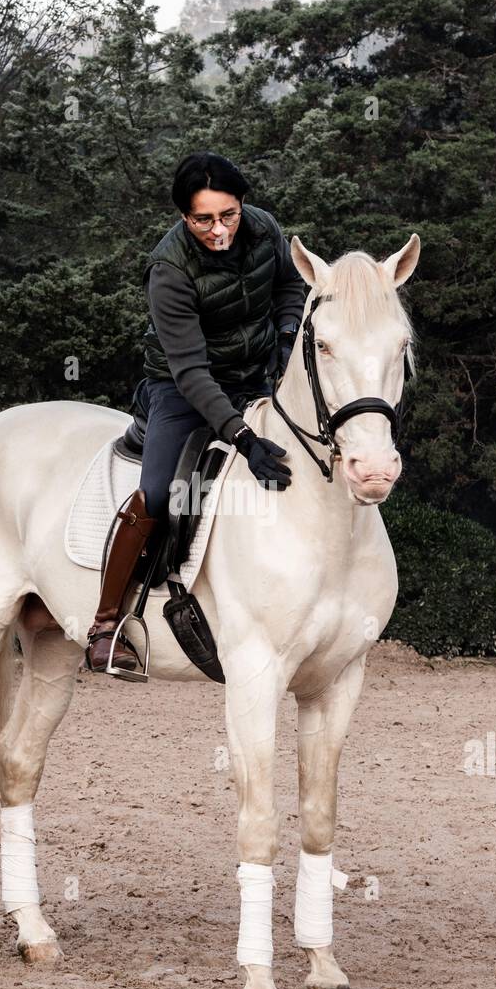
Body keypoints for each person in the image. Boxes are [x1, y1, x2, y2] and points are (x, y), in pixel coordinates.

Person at [85, 150, 307, 673]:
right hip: (181, 390)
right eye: (204, 220)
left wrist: (286, 332)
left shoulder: (264, 228)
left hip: (256, 376)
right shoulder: (168, 269)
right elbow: (190, 371)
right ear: (185, 217)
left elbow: (290, 285)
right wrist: (245, 440)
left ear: (242, 205)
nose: (220, 229)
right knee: (161, 492)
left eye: (228, 215)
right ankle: (107, 625)